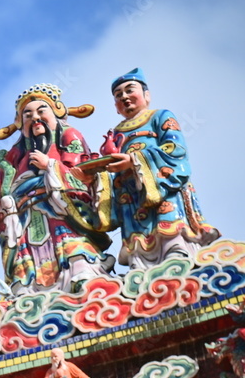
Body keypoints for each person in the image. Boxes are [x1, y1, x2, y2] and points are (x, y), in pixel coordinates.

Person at [91, 68, 219, 269]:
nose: (124, 97)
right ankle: (140, 261)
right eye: (118, 95)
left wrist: (135, 160)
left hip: (161, 180)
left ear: (146, 95)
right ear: (115, 106)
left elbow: (175, 148)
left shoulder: (159, 116)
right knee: (136, 225)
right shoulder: (116, 132)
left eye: (129, 90)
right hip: (130, 191)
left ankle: (175, 249)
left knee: (166, 215)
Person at [0, 84, 114, 294]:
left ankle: (79, 273)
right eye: (28, 115)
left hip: (60, 205)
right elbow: (5, 185)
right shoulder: (16, 153)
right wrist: (5, 196)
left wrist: (49, 165)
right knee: (28, 256)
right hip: (26, 213)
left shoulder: (68, 135)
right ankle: (28, 288)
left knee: (69, 246)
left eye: (41, 111)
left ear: (55, 112)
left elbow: (79, 172)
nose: (35, 118)